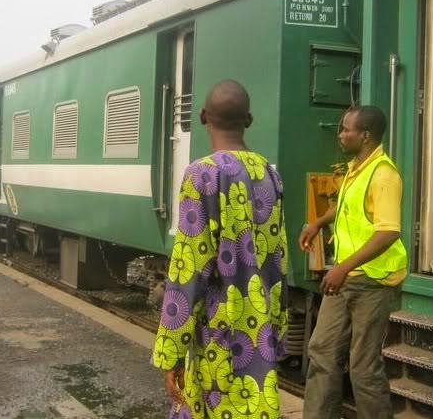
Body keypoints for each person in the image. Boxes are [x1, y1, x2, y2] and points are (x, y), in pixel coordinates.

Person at [152, 79, 289, 419]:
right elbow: (278, 258)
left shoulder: (202, 174)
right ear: (250, 119)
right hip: (259, 328)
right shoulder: (269, 173)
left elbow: (188, 269)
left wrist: (170, 351)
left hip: (218, 334)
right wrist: (277, 330)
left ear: (202, 117)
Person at [299, 105, 407, 419]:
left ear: (366, 135)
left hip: (371, 281)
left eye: (347, 129)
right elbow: (345, 208)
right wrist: (318, 221)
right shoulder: (356, 168)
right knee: (322, 352)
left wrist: (343, 268)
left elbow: (388, 232)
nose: (341, 134)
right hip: (346, 277)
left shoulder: (384, 174)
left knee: (363, 367)